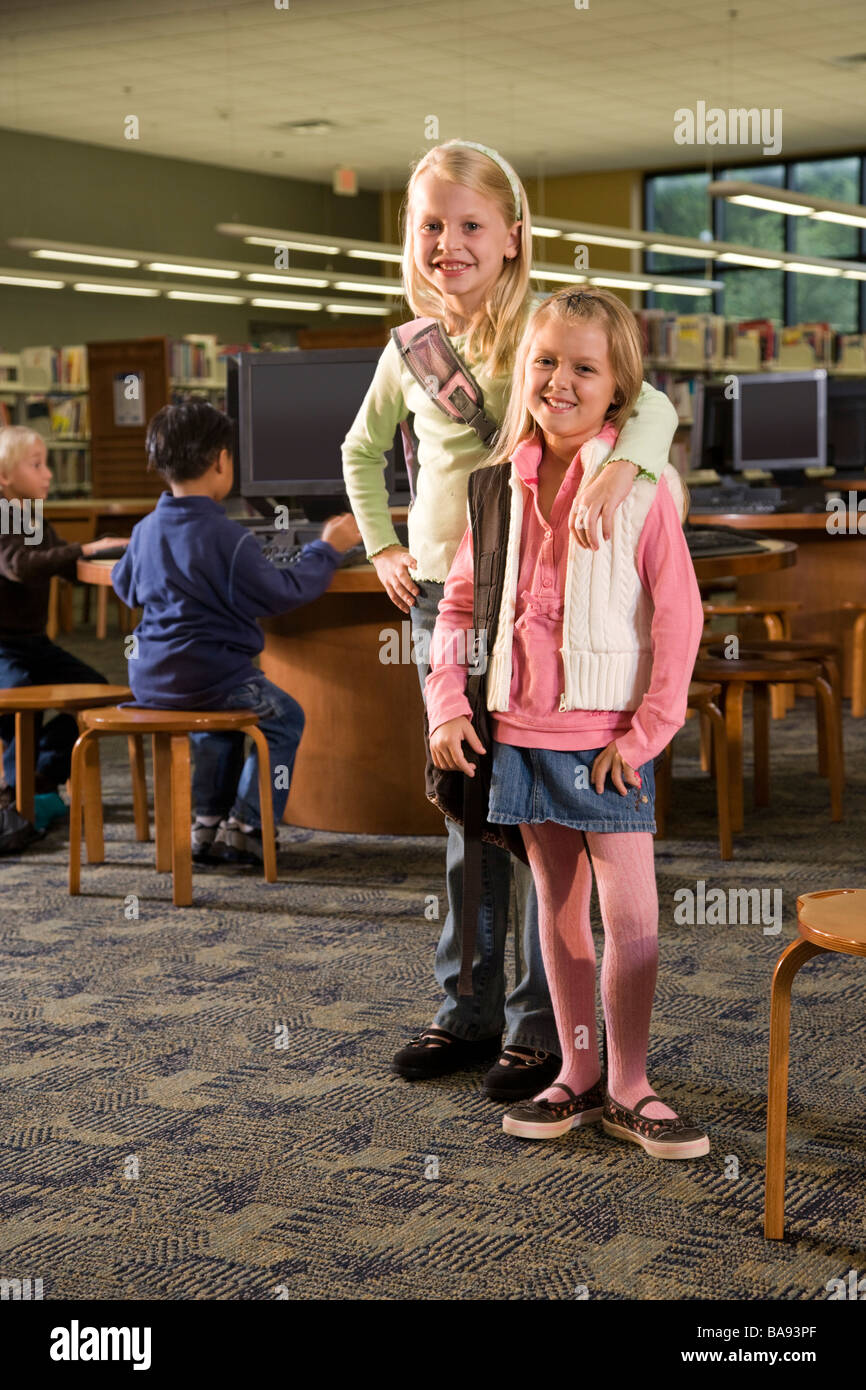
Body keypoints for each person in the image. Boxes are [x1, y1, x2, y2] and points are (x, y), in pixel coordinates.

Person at [342, 140, 679, 1102]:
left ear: (512, 238)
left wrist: (626, 466)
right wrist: (383, 547)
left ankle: (541, 1026)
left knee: (545, 823)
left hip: (540, 598)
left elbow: (645, 400)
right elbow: (359, 451)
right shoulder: (407, 348)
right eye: (431, 226)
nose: (449, 243)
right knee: (469, 815)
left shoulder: (538, 329)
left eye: (470, 226)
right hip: (455, 602)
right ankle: (464, 1009)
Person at [427, 287, 709, 1158]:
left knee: (633, 922)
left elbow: (681, 614)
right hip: (520, 733)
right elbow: (461, 604)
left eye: (584, 367)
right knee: (555, 912)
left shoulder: (640, 487)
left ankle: (631, 1083)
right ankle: (578, 1075)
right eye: (546, 361)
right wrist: (445, 700)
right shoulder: (495, 486)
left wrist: (650, 731)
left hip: (609, 746)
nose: (560, 379)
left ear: (618, 386)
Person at [111, 400, 361, 866]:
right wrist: (327, 549)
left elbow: (124, 585)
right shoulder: (226, 537)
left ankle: (206, 824)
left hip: (151, 678)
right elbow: (281, 592)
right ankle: (249, 825)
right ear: (220, 461)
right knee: (284, 718)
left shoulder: (144, 530)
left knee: (217, 729)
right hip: (211, 676)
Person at [0, 426, 125, 821]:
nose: (48, 473)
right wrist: (87, 548)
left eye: (47, 464)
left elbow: (61, 561)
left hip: (34, 642)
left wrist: (110, 554)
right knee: (22, 697)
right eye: (36, 465)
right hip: (3, 646)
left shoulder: (30, 517)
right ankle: (14, 796)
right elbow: (21, 566)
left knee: (96, 691)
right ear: (3, 476)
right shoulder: (5, 515)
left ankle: (40, 775)